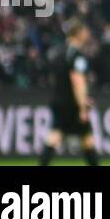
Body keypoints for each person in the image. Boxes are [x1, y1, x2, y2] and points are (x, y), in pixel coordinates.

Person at [40, 22, 99, 166]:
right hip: (72, 104)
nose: (87, 34)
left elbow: (54, 78)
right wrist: (83, 105)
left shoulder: (58, 52)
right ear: (78, 33)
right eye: (85, 30)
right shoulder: (77, 56)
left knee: (55, 136)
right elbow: (77, 81)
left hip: (58, 100)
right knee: (87, 140)